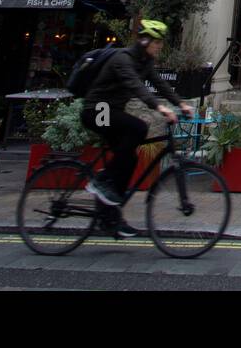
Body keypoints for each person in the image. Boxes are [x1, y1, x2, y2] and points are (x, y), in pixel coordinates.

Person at [81, 19, 193, 237]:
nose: (160, 46)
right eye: (157, 42)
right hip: (98, 109)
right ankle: (102, 181)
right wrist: (160, 107)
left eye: (161, 42)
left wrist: (180, 103)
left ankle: (111, 216)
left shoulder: (145, 62)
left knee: (130, 159)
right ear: (145, 40)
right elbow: (137, 86)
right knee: (138, 128)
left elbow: (160, 84)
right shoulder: (123, 59)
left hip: (112, 110)